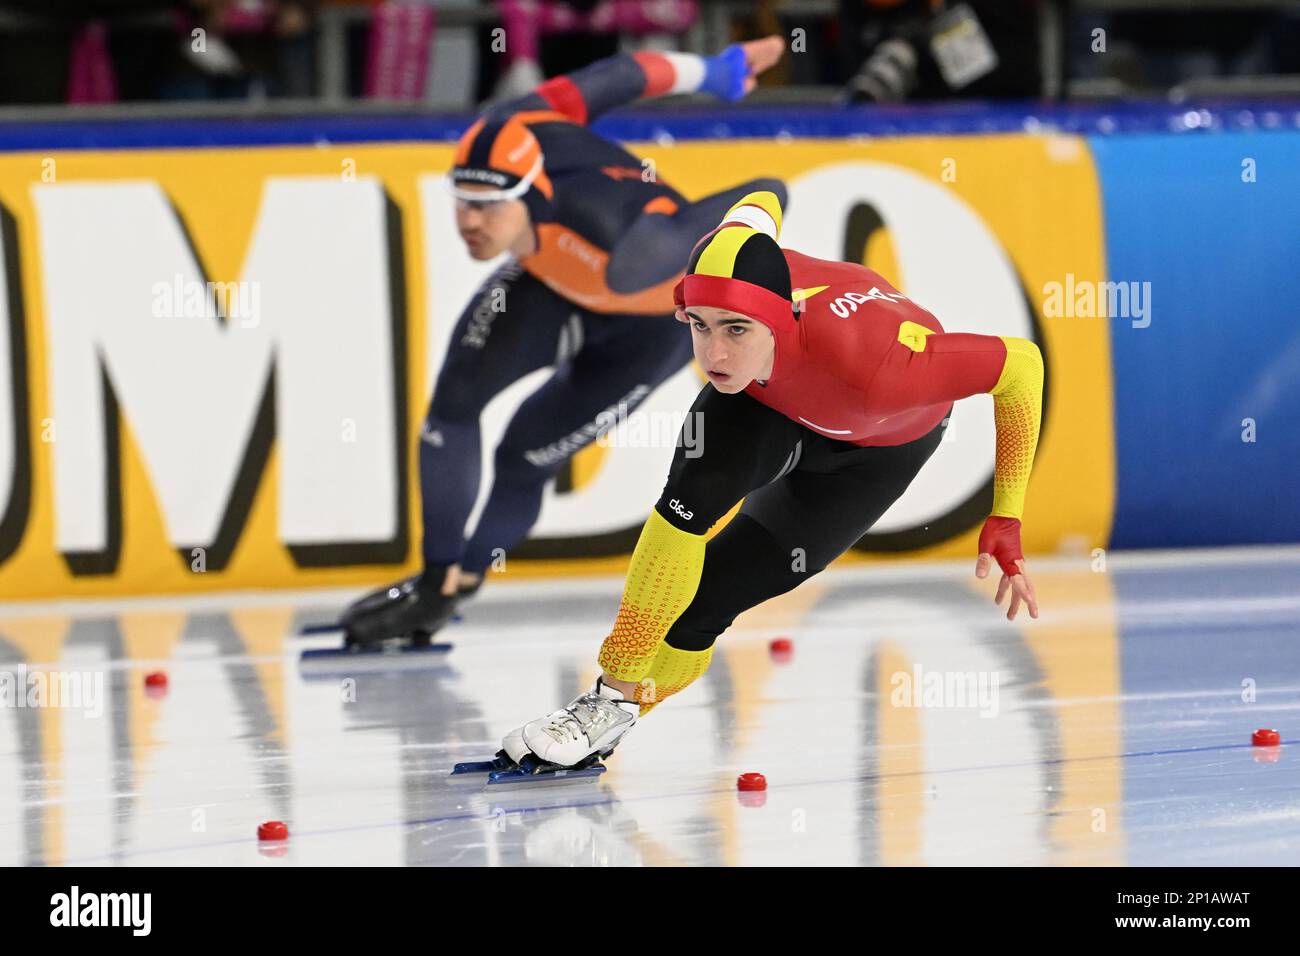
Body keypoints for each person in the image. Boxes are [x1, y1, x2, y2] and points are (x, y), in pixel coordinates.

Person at [501, 190, 1044, 768]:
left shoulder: (884, 371)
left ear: (782, 319)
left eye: (736, 330)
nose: (713, 353)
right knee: (687, 503)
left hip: (874, 451)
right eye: (699, 326)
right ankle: (606, 700)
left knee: (709, 603)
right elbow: (762, 198)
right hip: (769, 403)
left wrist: (1006, 511)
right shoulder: (730, 261)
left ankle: (618, 717)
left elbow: (1021, 366)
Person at [341, 37, 788, 648]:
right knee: (452, 405)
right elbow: (624, 73)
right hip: (549, 280)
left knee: (524, 456)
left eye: (490, 206)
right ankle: (434, 580)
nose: (471, 223)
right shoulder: (514, 123)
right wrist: (714, 70)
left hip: (643, 323)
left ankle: (459, 585)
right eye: (463, 202)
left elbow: (768, 184)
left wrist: (744, 248)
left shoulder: (637, 253)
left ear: (529, 194)